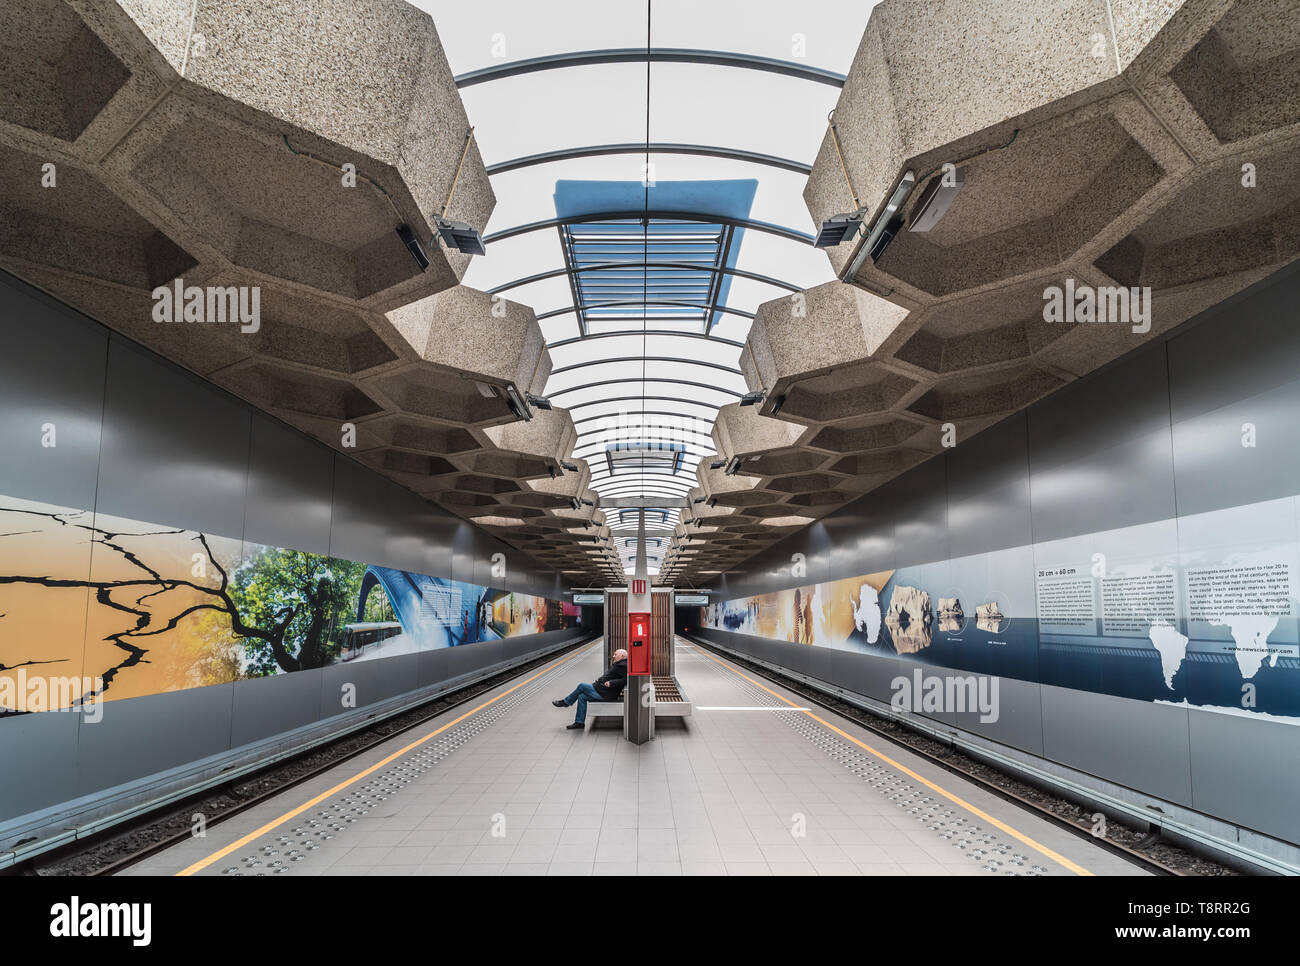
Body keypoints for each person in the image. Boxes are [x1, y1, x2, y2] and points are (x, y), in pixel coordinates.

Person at [553, 649, 628, 730]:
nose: (613, 656)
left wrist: (612, 682)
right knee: (582, 696)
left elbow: (626, 679)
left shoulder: (623, 666)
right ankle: (579, 722)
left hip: (606, 693)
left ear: (622, 656)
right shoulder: (620, 664)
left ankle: (566, 702)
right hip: (602, 690)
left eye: (615, 654)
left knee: (582, 686)